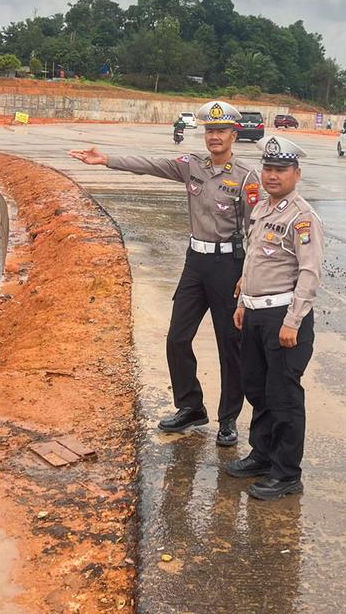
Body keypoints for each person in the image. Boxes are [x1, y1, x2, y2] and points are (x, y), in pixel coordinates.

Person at [69, 100, 260, 446]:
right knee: (177, 337)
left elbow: (256, 231)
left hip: (228, 267)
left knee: (228, 345)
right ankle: (190, 406)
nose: (214, 137)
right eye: (209, 131)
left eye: (221, 131)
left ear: (234, 134)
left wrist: (247, 276)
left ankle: (228, 419)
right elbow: (151, 165)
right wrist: (107, 160)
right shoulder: (192, 166)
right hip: (195, 264)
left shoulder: (246, 177)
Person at [226, 134, 322, 500]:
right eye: (268, 168)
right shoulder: (262, 209)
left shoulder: (303, 218)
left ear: (296, 173)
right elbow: (253, 262)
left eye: (281, 169)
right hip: (254, 314)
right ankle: (263, 455)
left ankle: (286, 473)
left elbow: (309, 273)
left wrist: (293, 321)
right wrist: (241, 304)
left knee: (283, 397)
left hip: (283, 318)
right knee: (257, 389)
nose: (272, 175)